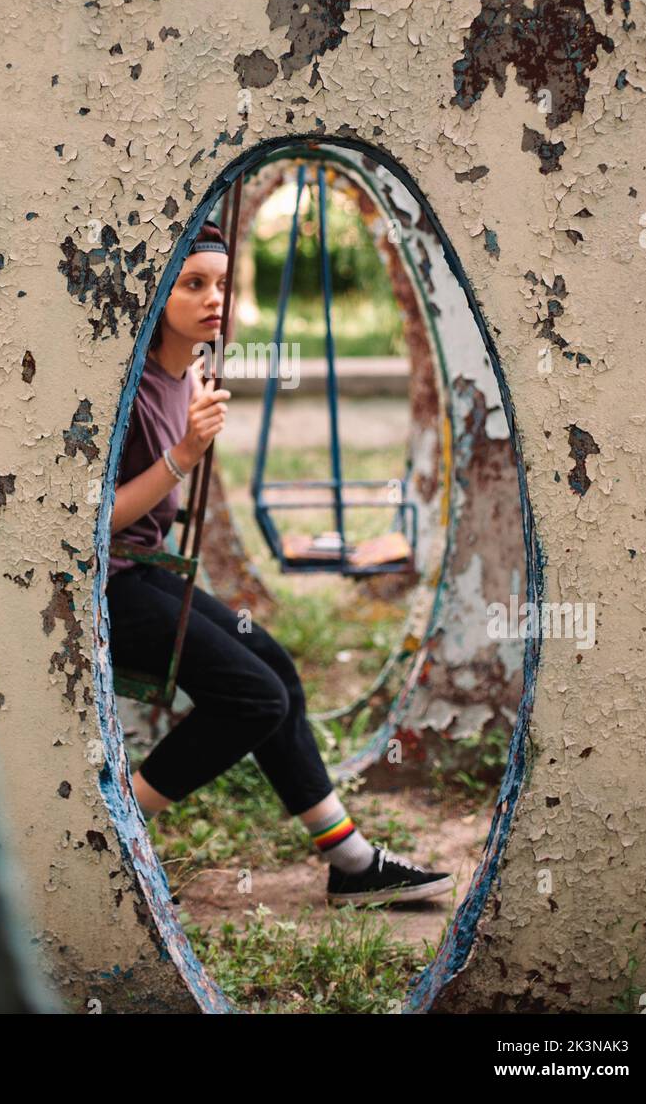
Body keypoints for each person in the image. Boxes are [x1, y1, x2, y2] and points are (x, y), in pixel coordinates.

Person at [104, 220, 454, 908]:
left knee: (280, 674)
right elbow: (90, 523)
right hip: (110, 582)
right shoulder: (131, 390)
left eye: (223, 285)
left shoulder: (188, 372)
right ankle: (115, 826)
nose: (214, 300)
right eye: (194, 284)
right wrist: (182, 456)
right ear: (156, 296)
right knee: (252, 698)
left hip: (149, 569)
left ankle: (352, 863)